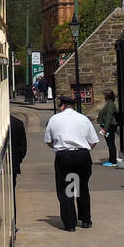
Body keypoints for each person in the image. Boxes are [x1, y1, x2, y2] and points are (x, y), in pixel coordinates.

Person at [44, 95, 99, 231]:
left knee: (67, 189)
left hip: (64, 156)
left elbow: (48, 140)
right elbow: (93, 141)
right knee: (82, 187)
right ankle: (85, 220)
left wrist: (59, 148)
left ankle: (70, 223)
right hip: (82, 155)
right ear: (72, 106)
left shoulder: (54, 119)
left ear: (62, 105)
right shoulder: (83, 119)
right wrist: (83, 150)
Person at [96, 89, 119, 167]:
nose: (103, 96)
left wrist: (105, 129)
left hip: (109, 127)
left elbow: (109, 116)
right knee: (110, 143)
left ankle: (112, 161)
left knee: (110, 144)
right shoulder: (109, 103)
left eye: (104, 95)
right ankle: (111, 160)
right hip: (109, 126)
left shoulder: (110, 104)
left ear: (107, 96)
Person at [10, 112, 27, 193]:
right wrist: (18, 159)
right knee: (12, 186)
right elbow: (23, 146)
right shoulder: (18, 123)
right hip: (14, 162)